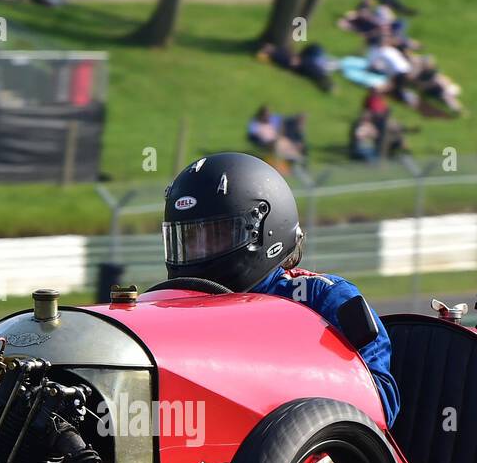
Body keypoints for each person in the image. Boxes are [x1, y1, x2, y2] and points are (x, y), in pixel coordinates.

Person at [160, 152, 400, 427]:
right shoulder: (172, 310)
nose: (199, 251)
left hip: (307, 460)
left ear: (263, 229)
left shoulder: (322, 298)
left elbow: (380, 402)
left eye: (215, 236)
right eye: (190, 239)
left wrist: (276, 380)